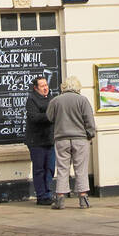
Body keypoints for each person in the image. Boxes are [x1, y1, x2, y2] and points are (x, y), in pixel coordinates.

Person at [47, 76, 95, 209]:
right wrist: (90, 134)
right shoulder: (82, 100)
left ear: (64, 86)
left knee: (62, 169)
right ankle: (83, 199)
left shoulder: (56, 100)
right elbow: (89, 121)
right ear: (77, 87)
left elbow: (49, 117)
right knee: (81, 169)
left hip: (61, 139)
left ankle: (60, 198)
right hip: (80, 139)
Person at [25, 75, 56, 205]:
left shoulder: (52, 98)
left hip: (50, 139)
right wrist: (50, 116)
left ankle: (48, 193)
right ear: (36, 88)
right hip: (36, 141)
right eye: (42, 86)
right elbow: (34, 117)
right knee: (39, 169)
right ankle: (41, 196)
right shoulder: (31, 100)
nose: (45, 88)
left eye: (46, 85)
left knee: (50, 168)